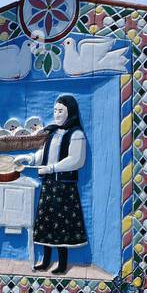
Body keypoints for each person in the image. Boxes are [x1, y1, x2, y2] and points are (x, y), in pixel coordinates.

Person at [32, 95, 88, 276]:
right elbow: (42, 154)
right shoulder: (52, 133)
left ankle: (62, 263)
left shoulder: (76, 134)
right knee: (46, 222)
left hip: (64, 187)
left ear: (70, 111)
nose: (56, 114)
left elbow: (76, 160)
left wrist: (51, 168)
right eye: (55, 110)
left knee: (61, 224)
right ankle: (46, 260)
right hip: (49, 186)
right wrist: (27, 160)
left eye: (61, 110)